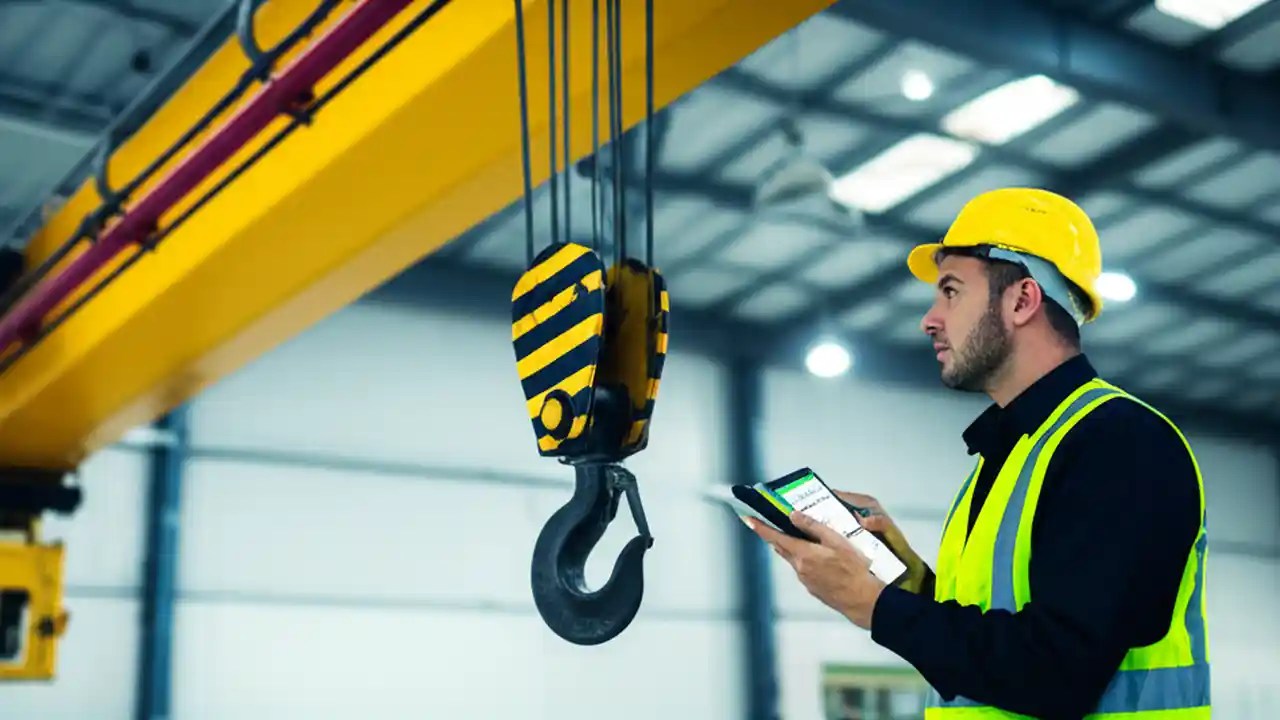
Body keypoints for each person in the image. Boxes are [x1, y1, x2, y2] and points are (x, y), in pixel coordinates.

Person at [748, 188, 1210, 719]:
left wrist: (873, 605)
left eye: (951, 291)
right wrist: (908, 581)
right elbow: (995, 641)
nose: (929, 319)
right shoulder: (1013, 453)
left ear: (1021, 300)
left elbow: (1059, 671)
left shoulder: (1120, 443)